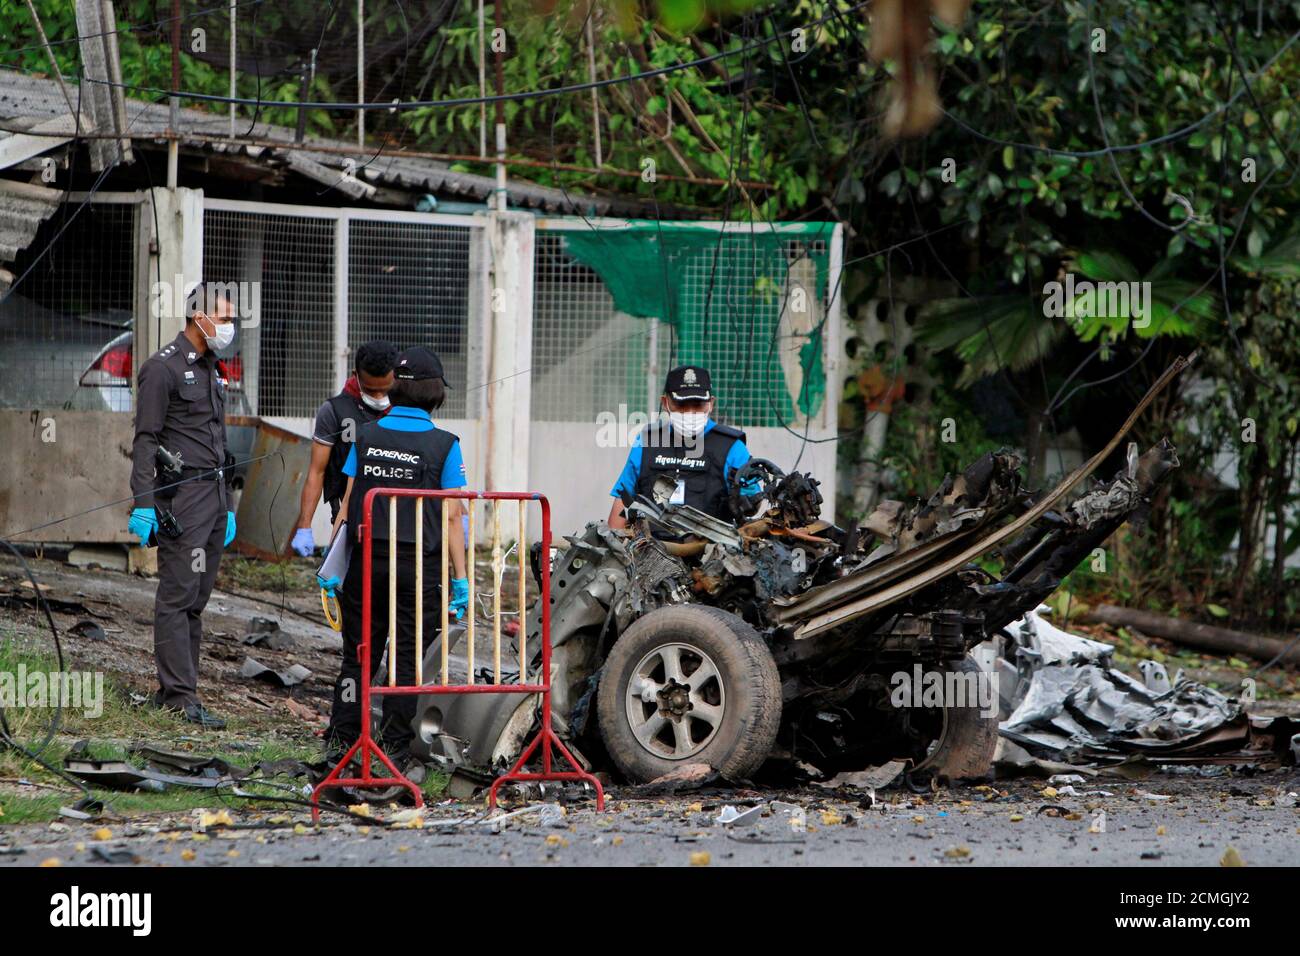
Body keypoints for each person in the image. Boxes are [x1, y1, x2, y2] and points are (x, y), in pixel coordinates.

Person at [323, 346, 471, 776]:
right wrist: (461, 579)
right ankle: (391, 748)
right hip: (417, 568)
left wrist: (332, 563)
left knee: (358, 656)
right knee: (407, 660)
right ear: (435, 394)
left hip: (367, 562)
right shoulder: (445, 446)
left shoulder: (366, 437)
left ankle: (344, 739)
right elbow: (453, 518)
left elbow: (349, 502)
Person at [127, 284, 237, 728]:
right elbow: (145, 439)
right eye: (224, 318)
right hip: (181, 498)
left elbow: (219, 442)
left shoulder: (213, 369)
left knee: (197, 596)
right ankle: (178, 696)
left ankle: (181, 689)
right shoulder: (162, 369)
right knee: (177, 594)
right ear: (198, 317)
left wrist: (228, 504)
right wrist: (144, 503)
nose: (229, 328)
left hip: (212, 498)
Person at [608, 365, 759, 529]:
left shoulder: (731, 447)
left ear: (711, 404)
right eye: (682, 405)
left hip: (712, 550)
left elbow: (751, 507)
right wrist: (614, 545)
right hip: (651, 548)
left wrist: (748, 496)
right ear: (666, 403)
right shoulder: (647, 441)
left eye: (698, 404)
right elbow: (623, 499)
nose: (690, 413)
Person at [290, 340, 398, 557]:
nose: (378, 398)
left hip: (397, 512)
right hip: (348, 513)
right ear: (355, 374)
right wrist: (304, 526)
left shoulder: (405, 408)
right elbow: (316, 471)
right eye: (370, 390)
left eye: (384, 390)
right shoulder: (335, 411)